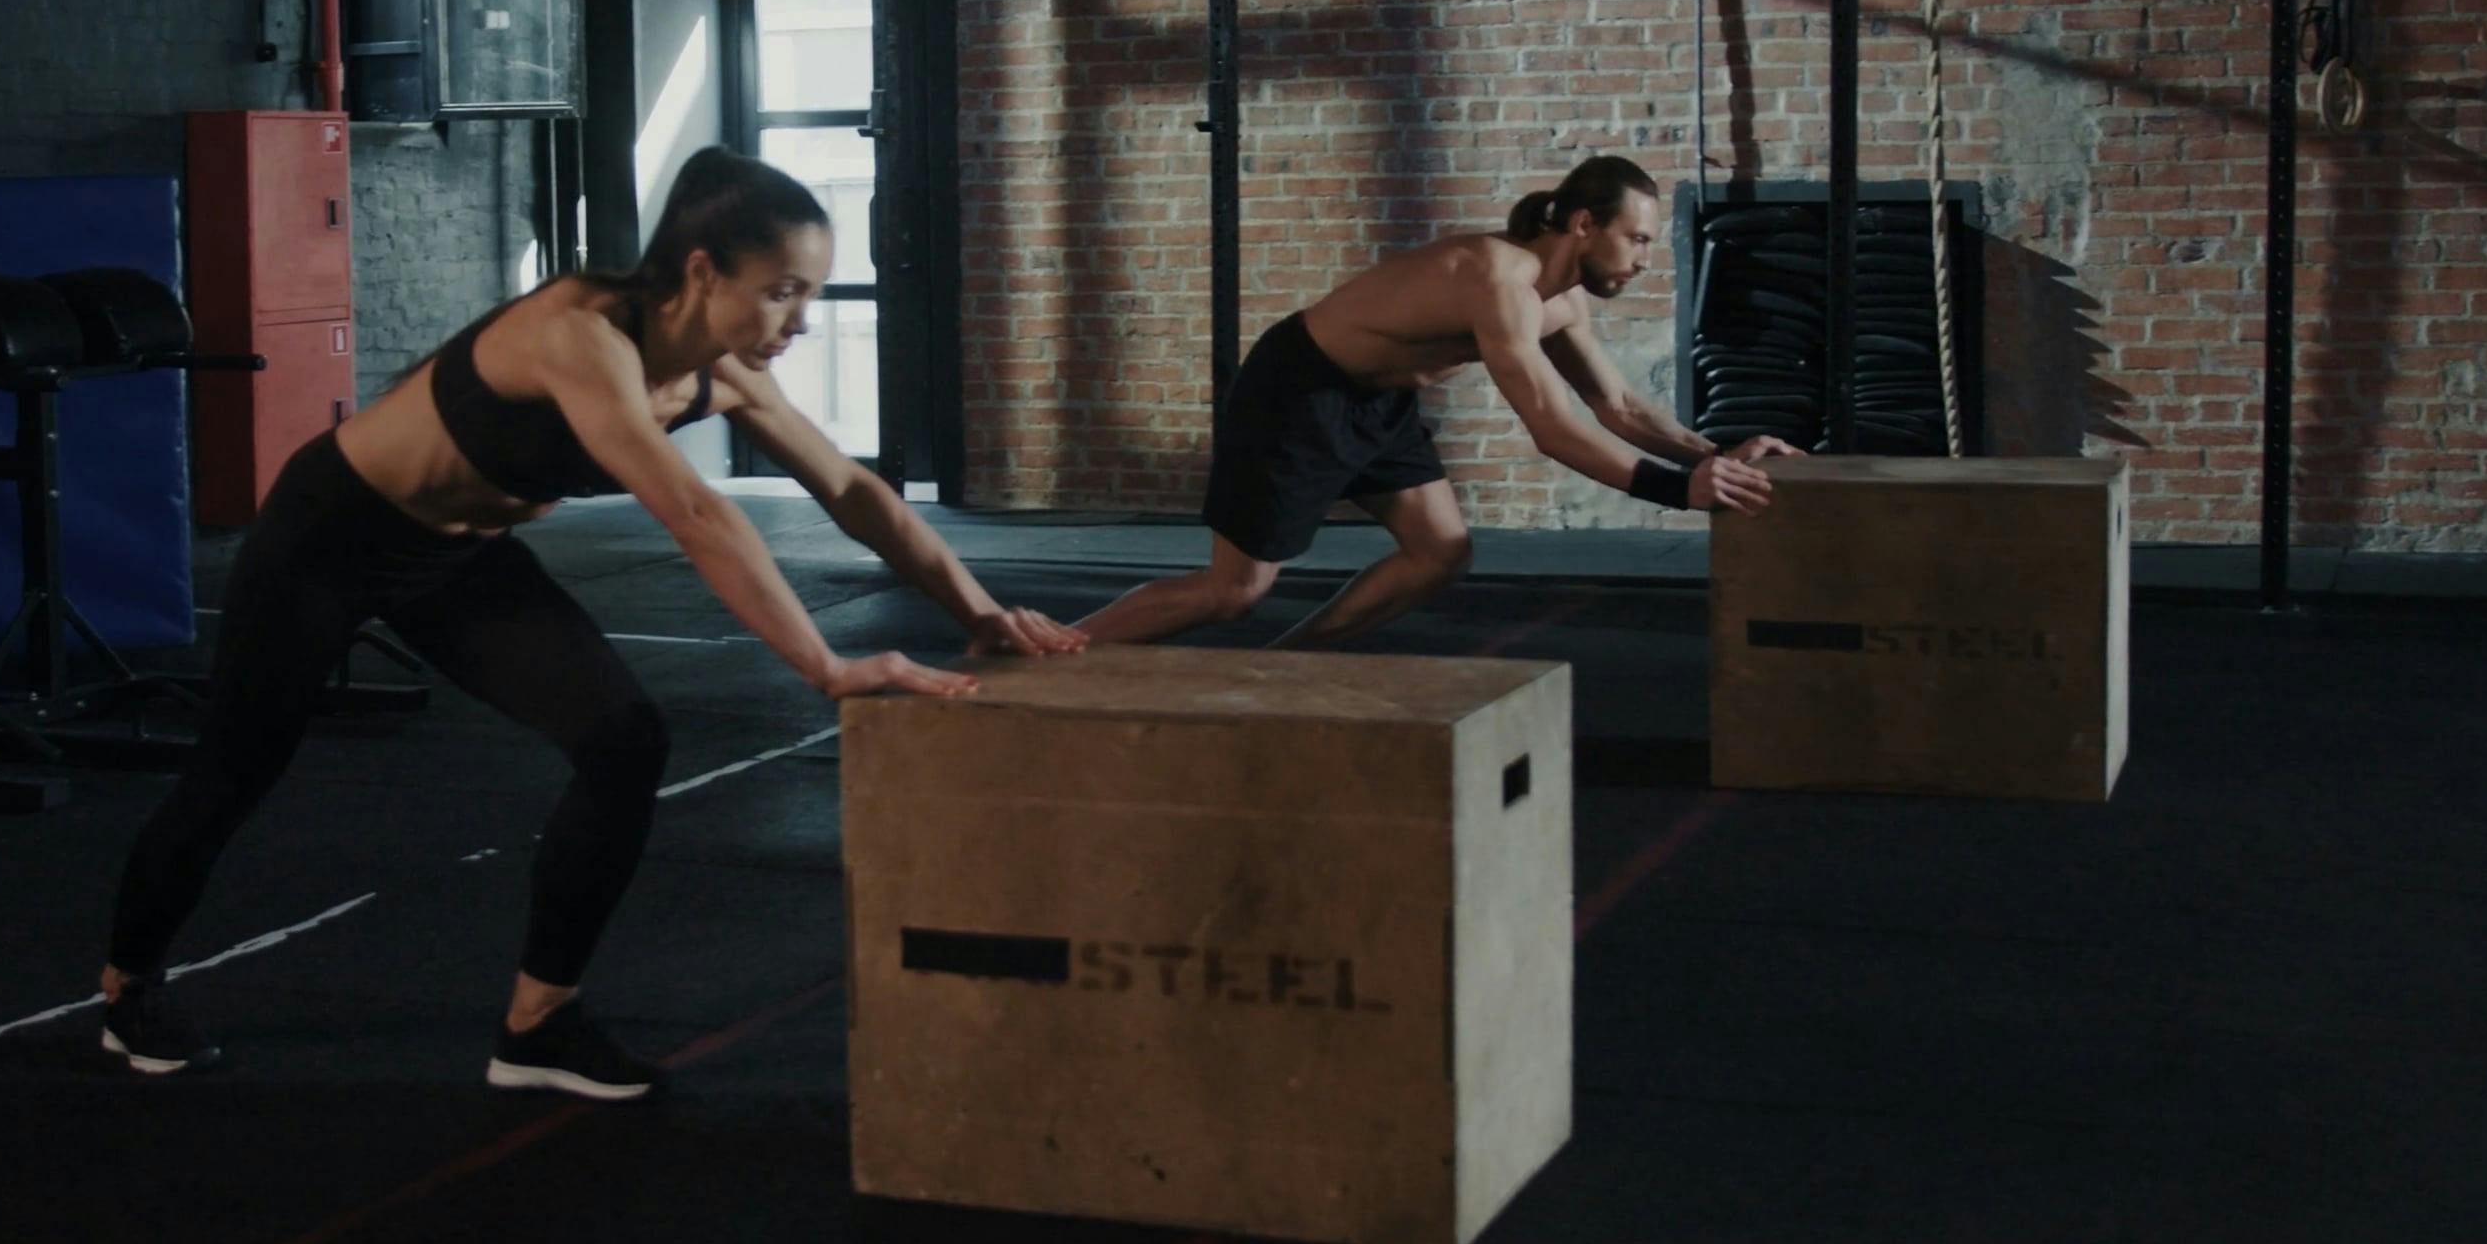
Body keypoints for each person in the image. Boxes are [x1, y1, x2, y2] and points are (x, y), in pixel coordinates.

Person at [97, 148, 1082, 1095]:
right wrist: (826, 666)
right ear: (702, 269)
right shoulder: (576, 333)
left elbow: (855, 492)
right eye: (783, 289)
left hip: (457, 557)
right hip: (330, 536)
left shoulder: (726, 371)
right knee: (237, 772)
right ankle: (127, 991)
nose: (802, 318)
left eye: (812, 294)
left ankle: (539, 1025)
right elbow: (695, 513)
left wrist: (983, 612)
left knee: (623, 740)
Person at [1079, 155, 1795, 650]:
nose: (1644, 257)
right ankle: (1052, 646)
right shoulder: (1498, 280)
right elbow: (1551, 427)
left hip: (1379, 404)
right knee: (1231, 592)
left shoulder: (1562, 301)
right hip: (1300, 390)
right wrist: (1682, 492)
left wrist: (1716, 455)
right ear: (1583, 223)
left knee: (1441, 550)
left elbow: (1619, 405)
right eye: (1635, 238)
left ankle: (1289, 661)